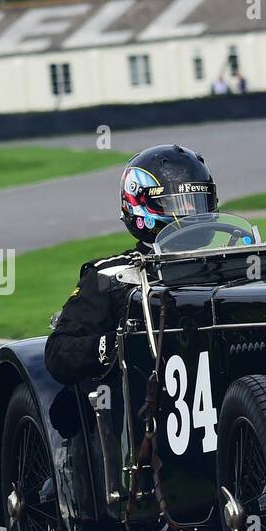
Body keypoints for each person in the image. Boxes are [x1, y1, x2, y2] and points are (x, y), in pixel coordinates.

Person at [44, 145, 218, 385]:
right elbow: (58, 354)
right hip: (143, 397)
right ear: (140, 205)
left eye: (199, 201)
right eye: (179, 204)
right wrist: (120, 343)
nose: (192, 212)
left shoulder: (225, 264)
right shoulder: (109, 276)